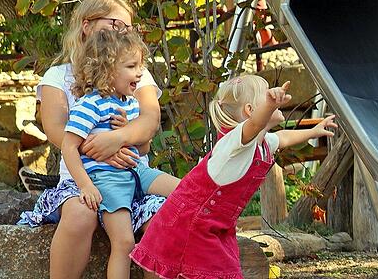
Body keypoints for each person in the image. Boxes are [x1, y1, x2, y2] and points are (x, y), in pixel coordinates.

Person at [18, 0, 172, 279]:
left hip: (133, 175)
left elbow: (149, 121)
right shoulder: (58, 76)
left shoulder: (134, 72)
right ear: (87, 25)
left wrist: (117, 139)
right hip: (83, 179)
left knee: (166, 219)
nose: (122, 32)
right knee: (80, 214)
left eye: (127, 28)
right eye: (115, 24)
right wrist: (102, 150)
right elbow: (56, 129)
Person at [130, 77, 338, 279]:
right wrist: (270, 105)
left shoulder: (262, 143)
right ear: (250, 110)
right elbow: (254, 125)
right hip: (192, 224)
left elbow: (283, 137)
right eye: (265, 94)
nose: (273, 96)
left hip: (216, 225)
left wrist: (313, 132)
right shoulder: (235, 143)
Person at [61, 29, 177, 279]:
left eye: (140, 65)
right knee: (124, 242)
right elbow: (68, 147)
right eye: (131, 66)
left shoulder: (130, 102)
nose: (140, 72)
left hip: (137, 171)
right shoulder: (90, 104)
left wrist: (127, 132)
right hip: (108, 179)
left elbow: (143, 149)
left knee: (184, 192)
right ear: (106, 70)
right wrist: (86, 185)